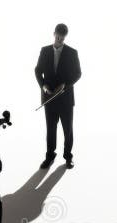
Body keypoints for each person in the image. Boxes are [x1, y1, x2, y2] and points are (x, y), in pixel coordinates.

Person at [34, 23, 82, 169]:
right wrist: (43, 86)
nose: (60, 39)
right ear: (54, 33)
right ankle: (50, 156)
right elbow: (37, 70)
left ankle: (68, 157)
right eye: (58, 36)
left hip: (66, 99)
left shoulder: (72, 52)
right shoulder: (44, 50)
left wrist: (65, 86)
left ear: (65, 36)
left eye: (62, 37)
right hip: (49, 97)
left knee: (68, 129)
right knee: (50, 129)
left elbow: (78, 73)